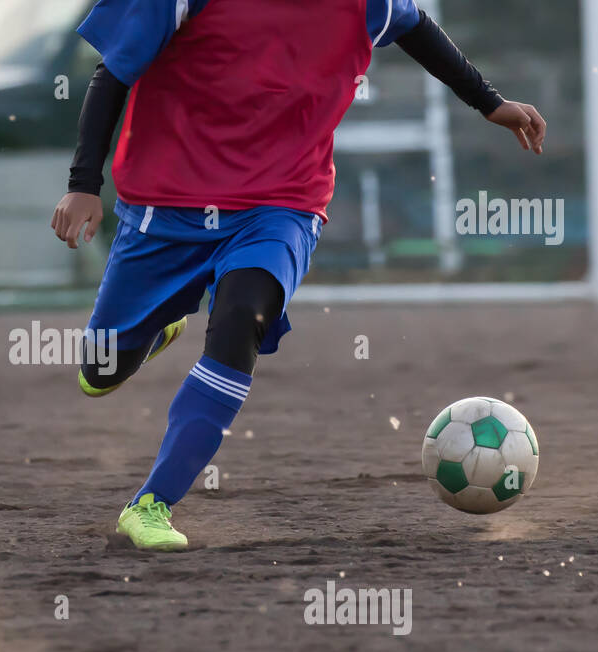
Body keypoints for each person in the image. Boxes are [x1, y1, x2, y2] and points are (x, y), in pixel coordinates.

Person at [51, 0, 546, 550]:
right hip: (163, 207)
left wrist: (488, 102)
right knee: (99, 370)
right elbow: (112, 72)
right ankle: (159, 325)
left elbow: (415, 27)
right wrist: (83, 183)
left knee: (241, 319)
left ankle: (152, 504)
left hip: (281, 204)